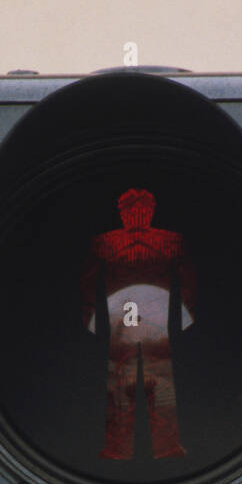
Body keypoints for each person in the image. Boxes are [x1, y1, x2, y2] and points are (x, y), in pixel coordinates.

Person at [81, 189, 195, 460]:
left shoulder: (106, 243)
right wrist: (186, 316)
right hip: (141, 323)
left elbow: (87, 280)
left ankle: (131, 448)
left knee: (134, 382)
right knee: (131, 383)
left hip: (132, 323)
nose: (136, 216)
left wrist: (90, 318)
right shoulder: (169, 241)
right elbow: (188, 278)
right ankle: (145, 448)